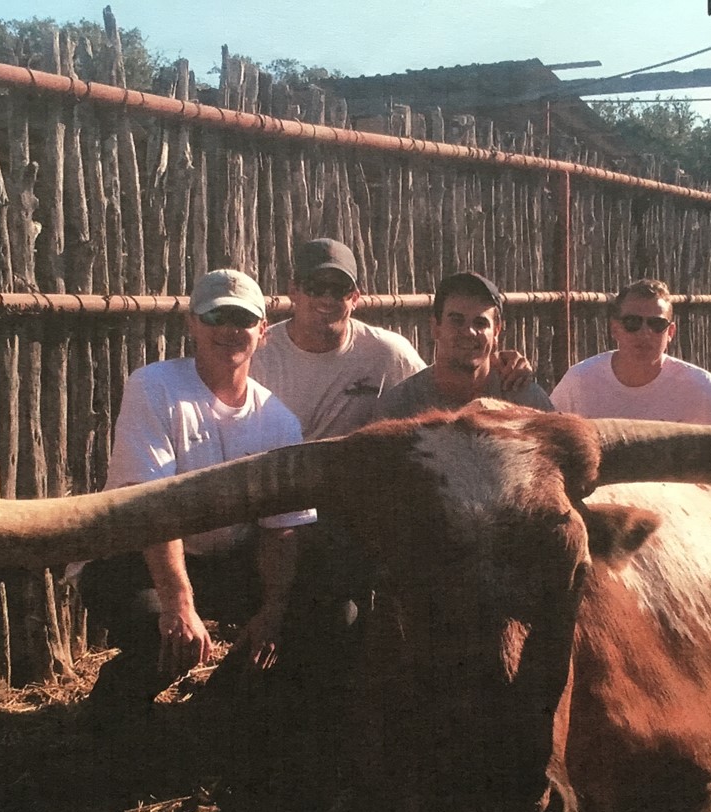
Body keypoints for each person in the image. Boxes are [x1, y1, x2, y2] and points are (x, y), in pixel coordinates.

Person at [77, 268, 317, 713]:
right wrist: (178, 604)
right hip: (134, 559)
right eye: (216, 316)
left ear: (262, 331)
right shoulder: (154, 387)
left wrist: (274, 609)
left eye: (243, 319)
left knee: (319, 619)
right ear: (192, 323)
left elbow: (281, 530)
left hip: (226, 560)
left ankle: (219, 709)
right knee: (166, 638)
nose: (230, 330)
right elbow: (154, 508)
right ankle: (108, 721)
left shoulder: (279, 419)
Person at [251, 238, 428, 440]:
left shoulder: (388, 353)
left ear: (354, 298)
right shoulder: (260, 355)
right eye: (315, 287)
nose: (327, 299)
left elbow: (431, 401)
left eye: (339, 289)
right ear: (293, 291)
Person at [549, 278, 711, 426]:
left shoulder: (700, 386)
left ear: (670, 332)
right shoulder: (580, 381)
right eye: (632, 322)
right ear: (615, 328)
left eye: (656, 324)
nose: (644, 333)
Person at [376, 271, 555, 420]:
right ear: (435, 327)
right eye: (457, 321)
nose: (469, 331)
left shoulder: (525, 400)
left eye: (480, 323)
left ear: (496, 333)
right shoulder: (401, 408)